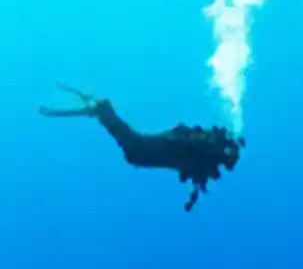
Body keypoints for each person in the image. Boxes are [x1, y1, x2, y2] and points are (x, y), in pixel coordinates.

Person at [39, 84, 245, 212]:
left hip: (160, 150)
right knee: (134, 145)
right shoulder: (209, 151)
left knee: (133, 146)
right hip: (164, 148)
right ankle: (102, 109)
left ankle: (100, 110)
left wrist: (192, 200)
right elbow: (196, 169)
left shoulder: (207, 161)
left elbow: (197, 180)